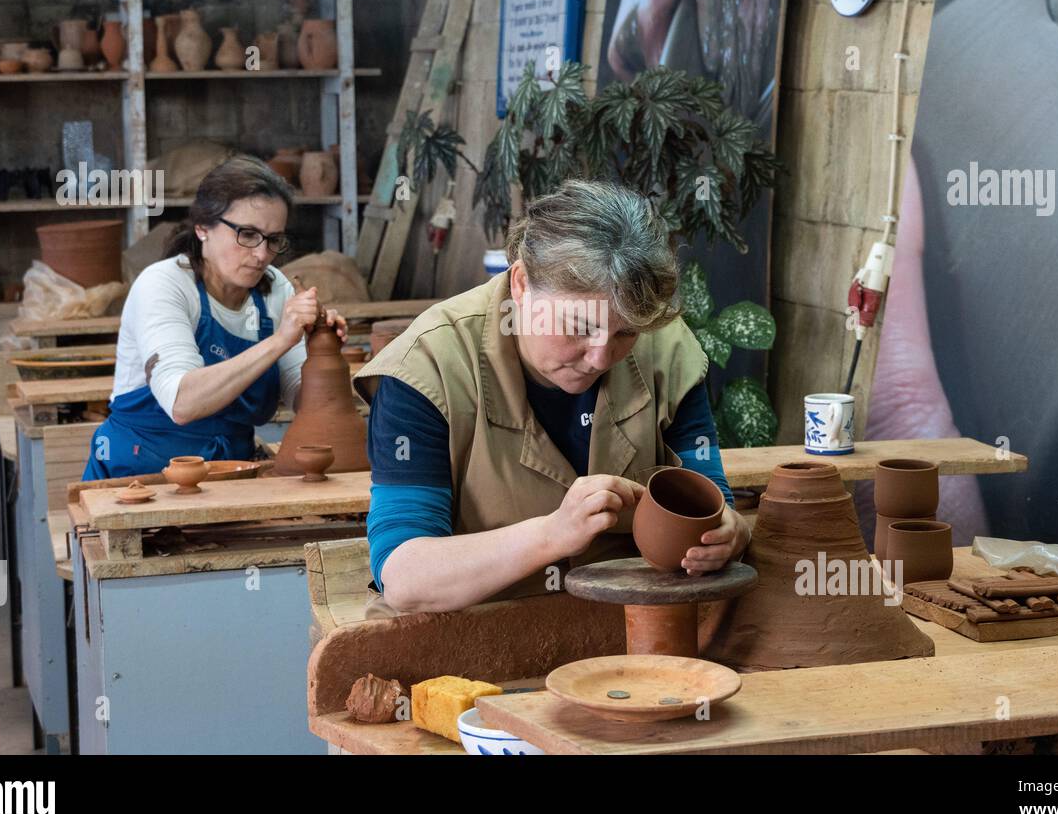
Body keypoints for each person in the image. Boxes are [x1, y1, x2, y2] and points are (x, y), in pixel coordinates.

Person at [353, 180, 751, 616]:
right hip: (480, 633)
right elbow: (405, 578)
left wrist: (728, 535)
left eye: (625, 333)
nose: (601, 357)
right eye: (579, 327)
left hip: (638, 626)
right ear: (522, 283)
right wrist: (552, 535)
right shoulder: (426, 366)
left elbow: (719, 509)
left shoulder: (668, 349)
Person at [82, 155, 346, 480]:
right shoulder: (164, 284)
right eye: (247, 234)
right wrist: (280, 341)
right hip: (138, 479)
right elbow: (182, 403)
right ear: (203, 227)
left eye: (274, 239)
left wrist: (323, 351)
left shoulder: (275, 288)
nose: (262, 254)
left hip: (231, 475)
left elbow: (303, 399)